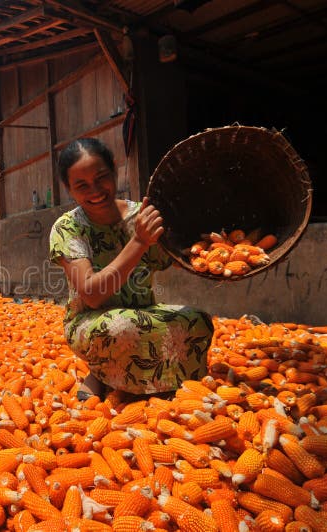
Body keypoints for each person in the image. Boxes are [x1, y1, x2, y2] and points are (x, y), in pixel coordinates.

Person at [48, 138, 213, 399]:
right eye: (82, 186)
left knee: (197, 321)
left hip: (143, 314)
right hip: (92, 323)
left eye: (101, 177)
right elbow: (92, 295)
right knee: (120, 328)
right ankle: (101, 374)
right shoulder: (68, 228)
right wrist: (138, 241)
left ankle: (148, 383)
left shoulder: (142, 215)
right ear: (69, 189)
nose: (95, 190)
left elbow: (178, 257)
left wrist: (213, 251)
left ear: (114, 168)